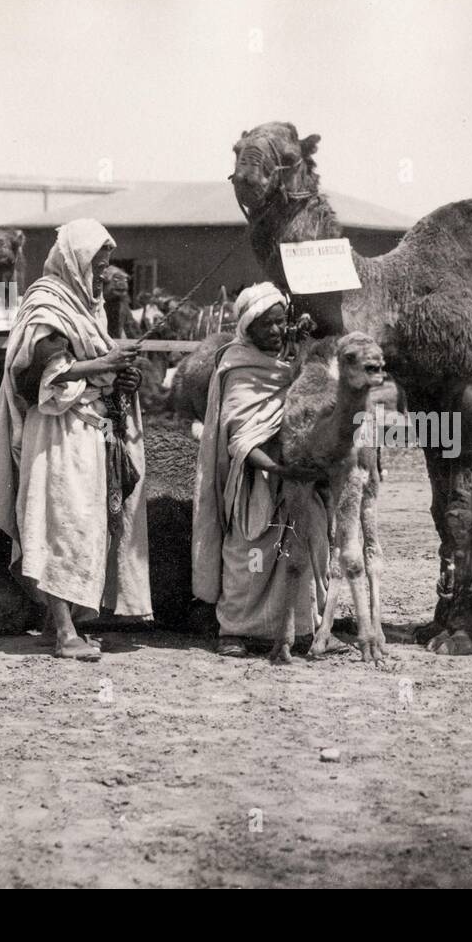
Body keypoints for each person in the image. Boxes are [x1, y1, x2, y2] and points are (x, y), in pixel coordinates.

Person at [0, 219, 149, 661]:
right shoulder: (45, 303)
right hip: (56, 430)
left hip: (88, 430)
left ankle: (58, 622)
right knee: (59, 520)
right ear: (76, 259)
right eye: (96, 265)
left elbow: (92, 362)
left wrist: (120, 375)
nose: (101, 274)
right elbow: (40, 372)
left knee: (85, 523)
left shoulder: (87, 305)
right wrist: (106, 364)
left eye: (104, 266)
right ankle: (63, 633)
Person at [191, 282, 329, 660]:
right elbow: (239, 439)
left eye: (279, 322)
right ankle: (235, 630)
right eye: (265, 324)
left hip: (295, 476)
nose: (274, 330)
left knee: (303, 542)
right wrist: (277, 469)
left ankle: (299, 628)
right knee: (248, 553)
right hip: (256, 480)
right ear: (248, 326)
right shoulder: (238, 366)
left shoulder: (291, 363)